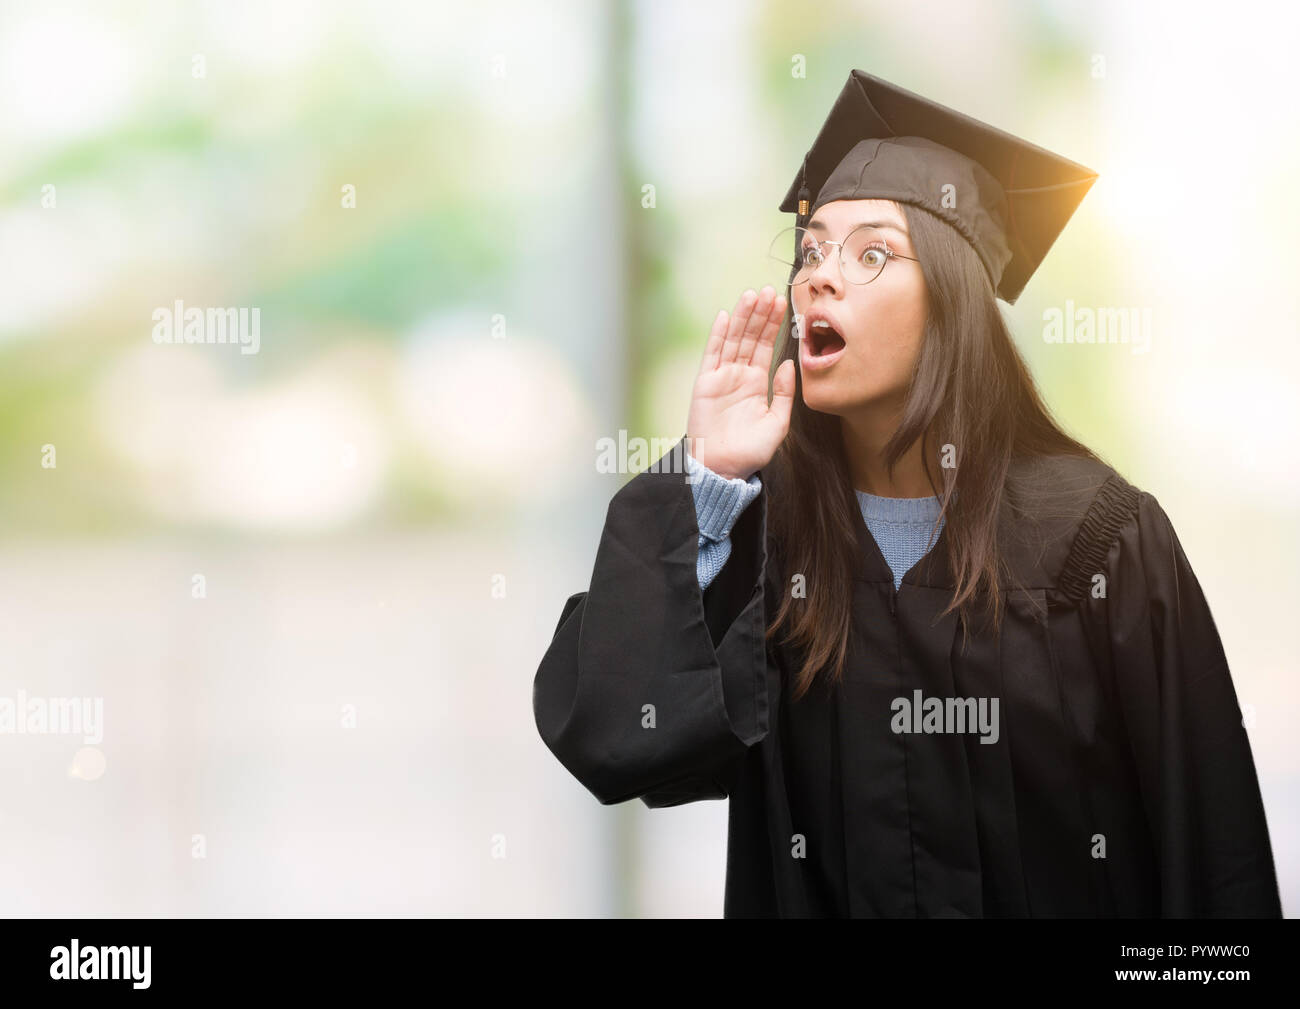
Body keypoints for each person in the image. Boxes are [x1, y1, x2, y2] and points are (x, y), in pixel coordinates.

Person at [532, 70, 1283, 918]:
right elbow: (614, 739)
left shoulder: (1095, 540)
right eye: (810, 251)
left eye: (871, 253)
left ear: (952, 302)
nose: (817, 277)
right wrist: (708, 481)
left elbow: (1211, 848)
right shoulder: (772, 537)